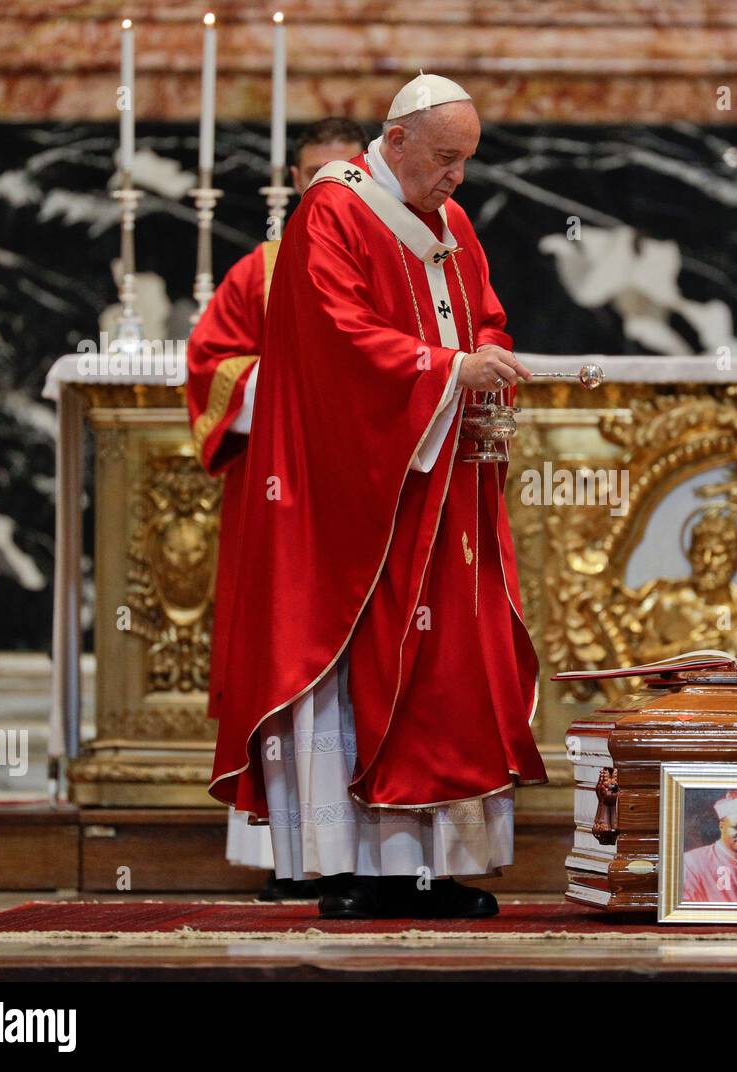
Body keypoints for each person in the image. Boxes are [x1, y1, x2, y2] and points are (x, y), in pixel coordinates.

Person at [205, 74, 547, 920]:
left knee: (449, 672)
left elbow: (486, 317)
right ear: (394, 140)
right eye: (444, 158)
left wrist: (489, 360)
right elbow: (336, 340)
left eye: (466, 161)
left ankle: (433, 870)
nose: (456, 178)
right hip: (362, 499)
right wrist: (446, 371)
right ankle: (353, 866)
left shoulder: (455, 223)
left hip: (443, 492)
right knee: (364, 670)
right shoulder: (333, 213)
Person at [186, 118, 368, 901]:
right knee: (289, 664)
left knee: (358, 675)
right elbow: (211, 369)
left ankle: (370, 856)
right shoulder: (259, 273)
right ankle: (295, 854)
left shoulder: (382, 262)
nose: (327, 190)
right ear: (296, 183)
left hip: (363, 499)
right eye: (314, 176)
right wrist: (295, 390)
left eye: (342, 175)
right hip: (282, 504)